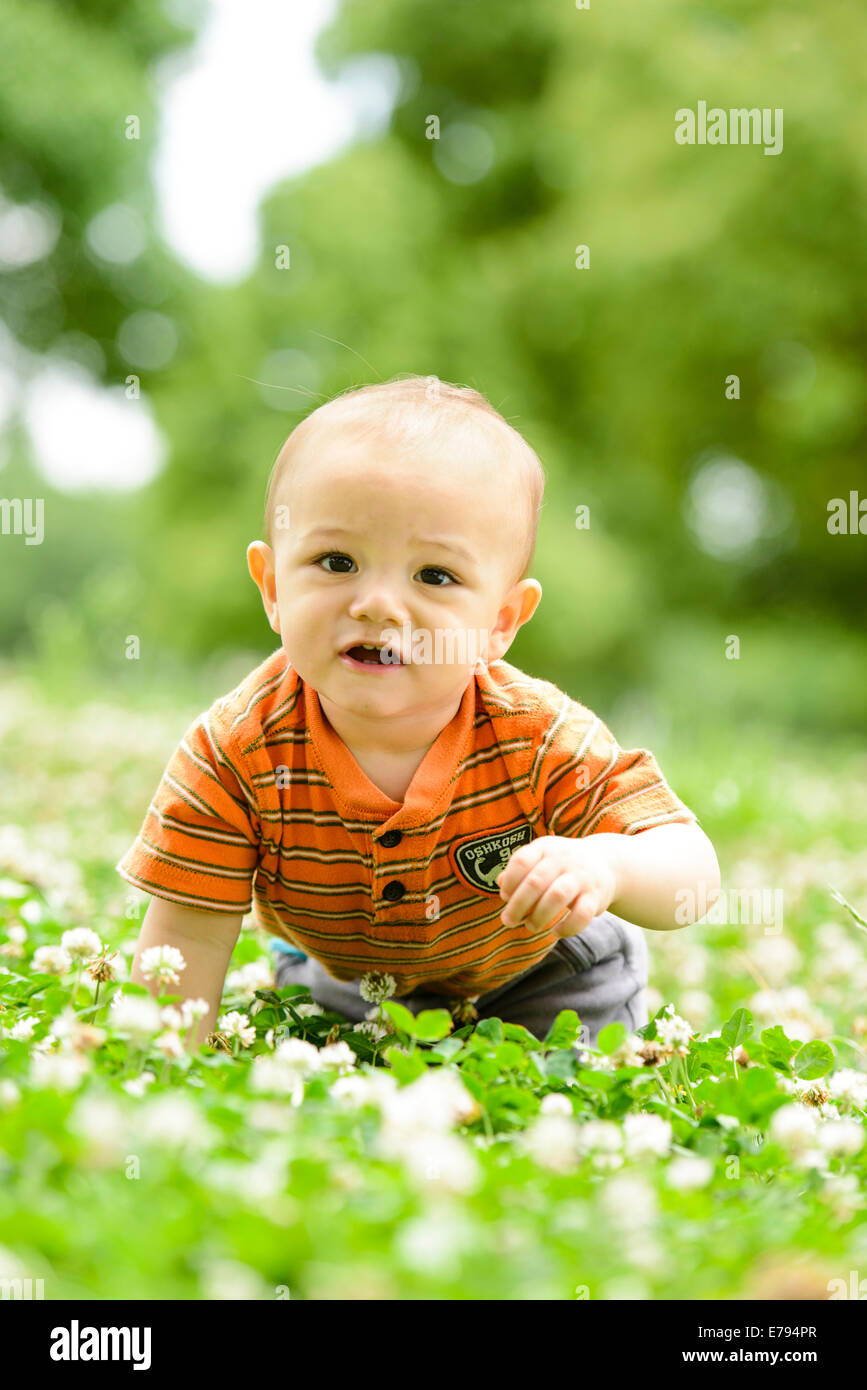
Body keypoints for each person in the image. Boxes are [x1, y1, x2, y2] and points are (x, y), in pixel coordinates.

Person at [118, 375, 720, 1049]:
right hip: (352, 982)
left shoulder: (538, 735)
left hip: (540, 975)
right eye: (336, 560)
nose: (377, 604)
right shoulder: (235, 750)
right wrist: (162, 1068)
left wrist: (608, 866)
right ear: (272, 587)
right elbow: (189, 930)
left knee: (560, 1084)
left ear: (500, 622)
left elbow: (690, 871)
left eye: (434, 576)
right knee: (320, 1057)